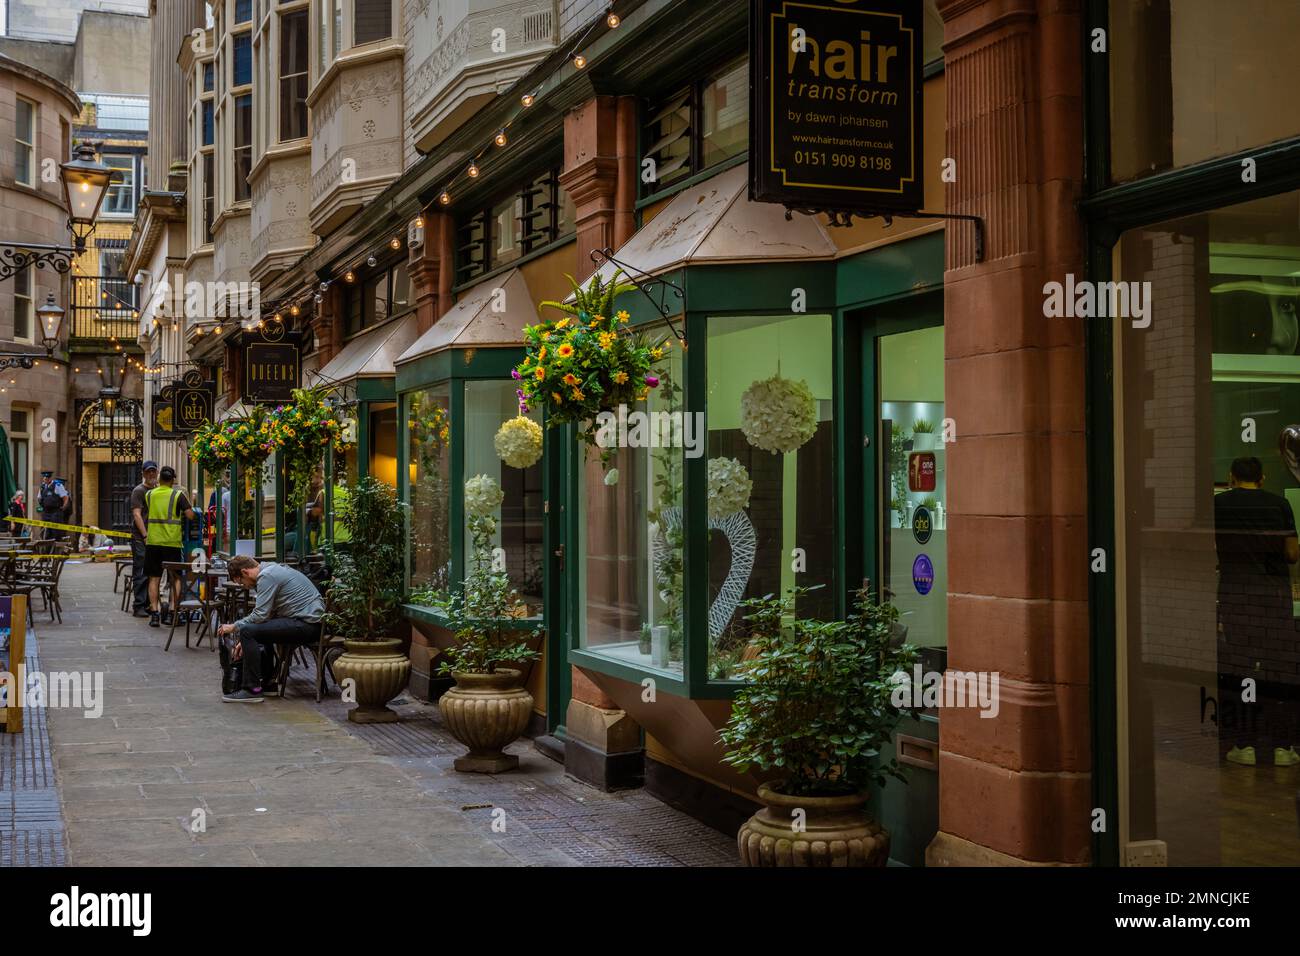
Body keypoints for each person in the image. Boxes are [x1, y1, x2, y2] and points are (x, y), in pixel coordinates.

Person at [1214, 456, 1300, 768]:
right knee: (1278, 670)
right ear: (1262, 478)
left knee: (1241, 668)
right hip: (1274, 595)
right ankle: (1282, 747)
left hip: (1236, 594)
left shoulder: (1219, 506)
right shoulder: (1278, 505)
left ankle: (1244, 745)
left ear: (1231, 477)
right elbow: (1292, 554)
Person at [217, 555, 324, 703]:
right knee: (252, 631)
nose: (244, 586)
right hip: (308, 623)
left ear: (245, 572)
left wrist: (234, 627)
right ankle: (268, 684)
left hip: (307, 625)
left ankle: (251, 690)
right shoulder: (271, 569)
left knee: (247, 631)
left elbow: (260, 615)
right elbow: (265, 618)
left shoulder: (267, 576)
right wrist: (246, 641)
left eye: (241, 582)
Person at [144, 466, 197, 628]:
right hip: (172, 543)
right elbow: (190, 515)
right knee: (176, 579)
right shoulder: (178, 495)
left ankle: (155, 614)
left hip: (153, 542)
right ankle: (173, 613)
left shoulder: (149, 494)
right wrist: (191, 503)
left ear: (160, 479)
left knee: (154, 578)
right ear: (173, 480)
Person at [128, 461, 159, 618]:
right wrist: (145, 535)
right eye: (148, 472)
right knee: (141, 571)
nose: (151, 474)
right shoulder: (139, 491)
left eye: (154, 471)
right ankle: (138, 605)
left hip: (155, 538)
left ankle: (148, 603)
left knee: (151, 572)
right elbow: (137, 514)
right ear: (143, 474)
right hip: (141, 537)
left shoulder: (158, 491)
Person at [37, 471, 69, 541]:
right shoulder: (42, 487)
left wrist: (64, 506)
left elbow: (65, 497)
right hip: (46, 512)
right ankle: (46, 549)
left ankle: (56, 549)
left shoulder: (57, 485)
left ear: (50, 478)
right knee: (45, 532)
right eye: (44, 479)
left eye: (46, 478)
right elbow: (39, 498)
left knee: (56, 532)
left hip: (55, 512)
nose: (45, 480)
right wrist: (42, 505)